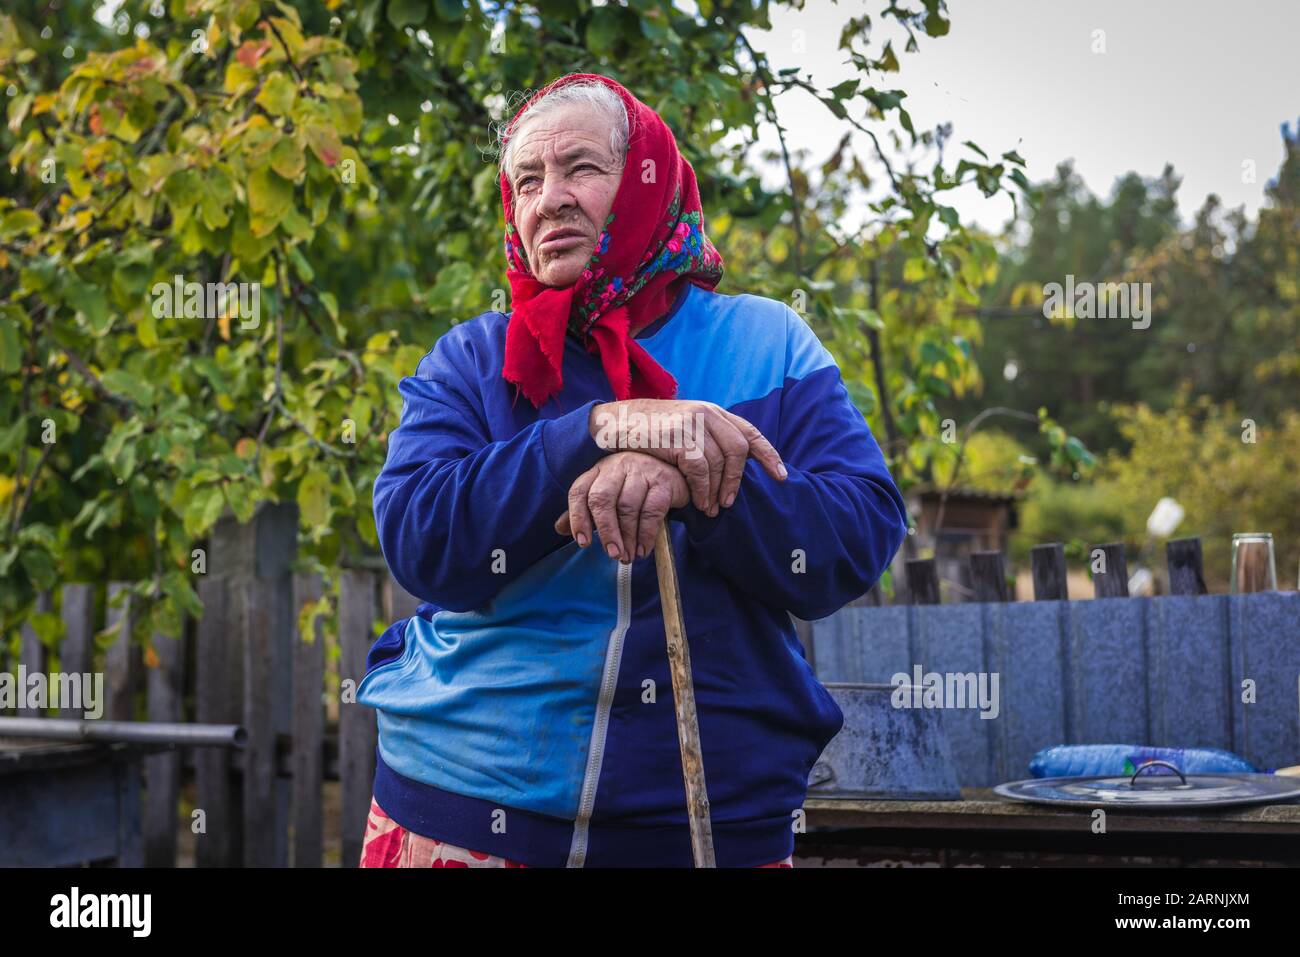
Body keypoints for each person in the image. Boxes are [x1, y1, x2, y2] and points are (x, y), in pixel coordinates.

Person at [356, 72, 908, 868]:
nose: (550, 199)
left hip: (708, 826)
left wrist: (696, 481)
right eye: (527, 181)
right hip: (465, 809)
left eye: (581, 168)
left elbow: (855, 534)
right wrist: (594, 431)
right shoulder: (474, 360)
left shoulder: (767, 343)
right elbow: (418, 540)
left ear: (648, 176)